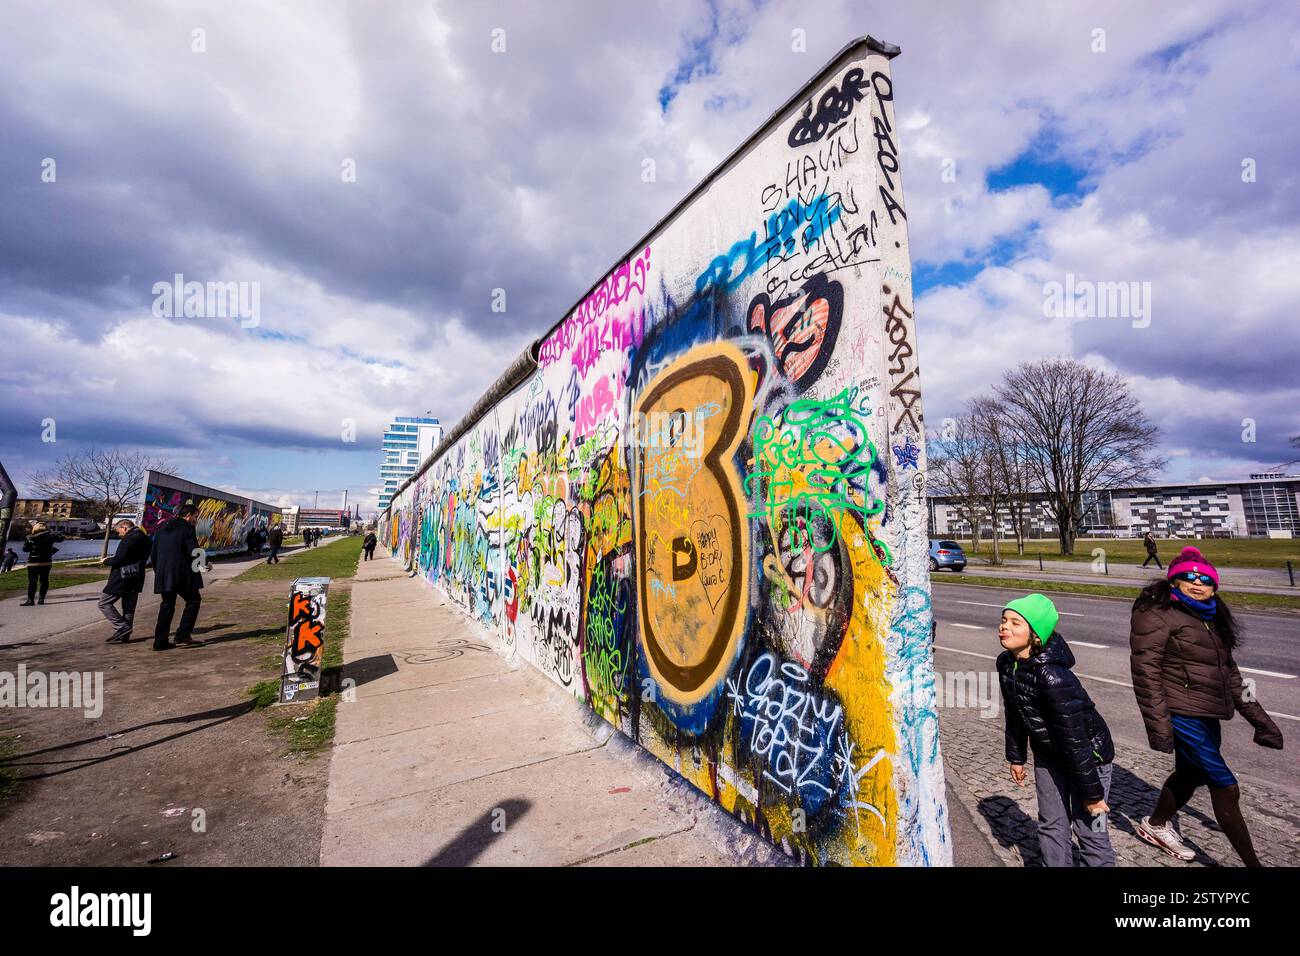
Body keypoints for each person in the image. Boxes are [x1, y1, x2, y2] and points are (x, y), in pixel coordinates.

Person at [1130, 547, 1284, 866]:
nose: (1197, 584)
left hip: (1206, 713)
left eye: (1205, 580)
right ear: (1174, 581)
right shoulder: (1157, 612)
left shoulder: (1210, 618)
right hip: (1180, 713)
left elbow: (1231, 675)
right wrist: (1160, 726)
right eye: (1188, 577)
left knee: (1190, 774)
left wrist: (1261, 721)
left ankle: (1156, 825)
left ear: (1214, 586)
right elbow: (1146, 670)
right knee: (1225, 785)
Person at [997, 592, 1116, 867]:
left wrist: (1094, 795)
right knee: (1051, 824)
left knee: (1092, 831)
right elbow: (1015, 713)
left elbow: (1076, 741)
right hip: (1049, 756)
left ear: (1035, 634)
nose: (1005, 626)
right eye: (1004, 620)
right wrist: (1016, 757)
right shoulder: (1007, 664)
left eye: (1016, 622)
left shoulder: (1054, 678)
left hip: (1090, 760)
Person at [150, 504, 212, 651]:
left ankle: (160, 641)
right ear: (188, 515)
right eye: (196, 517)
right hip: (182, 573)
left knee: (167, 605)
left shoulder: (162, 527)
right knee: (193, 600)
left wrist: (159, 570)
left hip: (164, 573)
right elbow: (193, 550)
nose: (196, 520)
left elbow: (154, 553)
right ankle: (183, 634)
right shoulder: (186, 528)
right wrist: (205, 563)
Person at [98, 519, 151, 643]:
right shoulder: (146, 539)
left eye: (119, 531)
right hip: (137, 576)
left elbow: (120, 558)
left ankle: (122, 627)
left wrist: (106, 561)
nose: (119, 534)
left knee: (104, 603)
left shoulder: (129, 539)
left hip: (122, 577)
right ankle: (124, 635)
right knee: (129, 608)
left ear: (125, 527)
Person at [19, 521, 64, 606]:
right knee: (44, 580)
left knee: (32, 581)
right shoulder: (50, 537)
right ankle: (41, 599)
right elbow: (61, 538)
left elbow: (25, 549)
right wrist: (52, 532)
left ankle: (30, 600)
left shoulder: (30, 538)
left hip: (33, 562)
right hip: (46, 561)